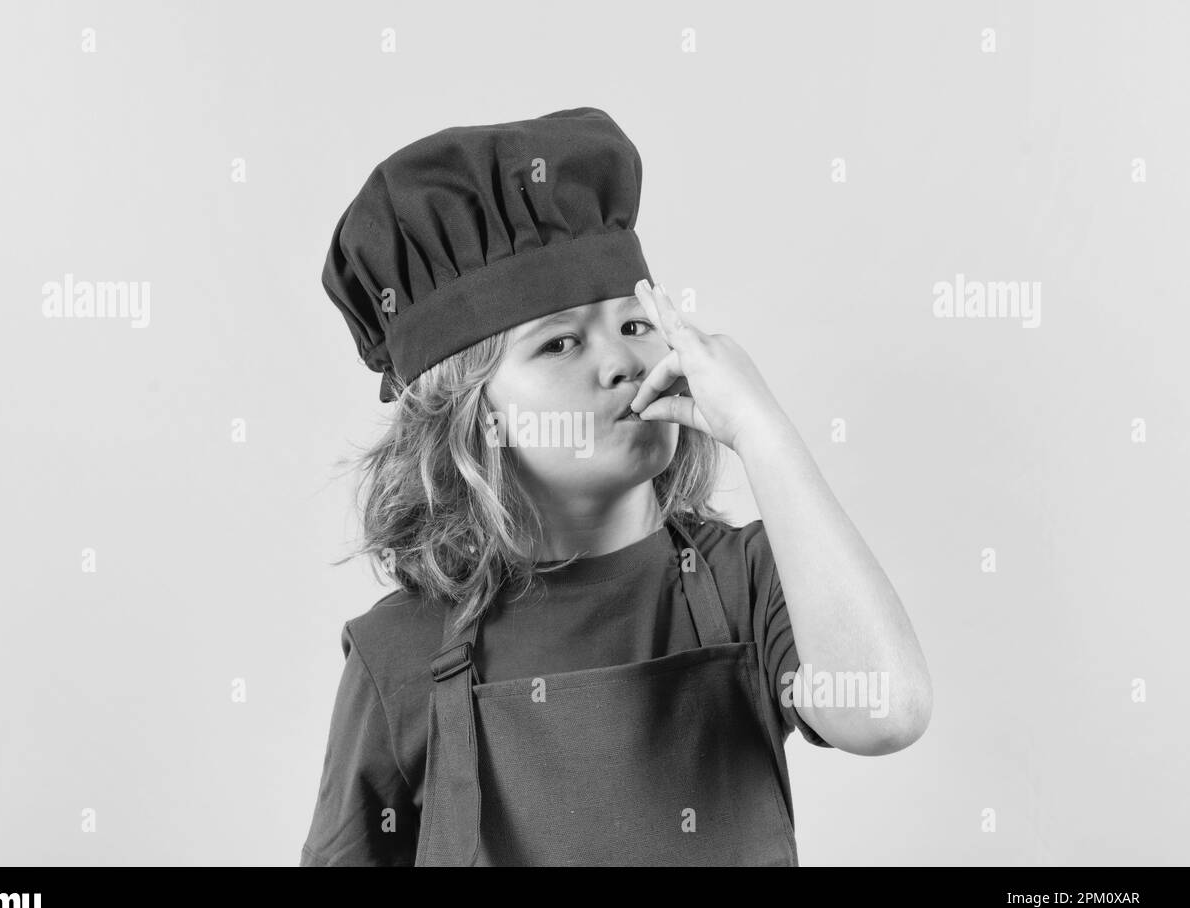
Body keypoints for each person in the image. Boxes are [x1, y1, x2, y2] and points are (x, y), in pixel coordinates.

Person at [300, 107, 932, 866]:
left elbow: (887, 712)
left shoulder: (746, 582)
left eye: (636, 325)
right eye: (561, 342)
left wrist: (762, 430)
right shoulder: (398, 654)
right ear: (468, 417)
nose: (623, 361)